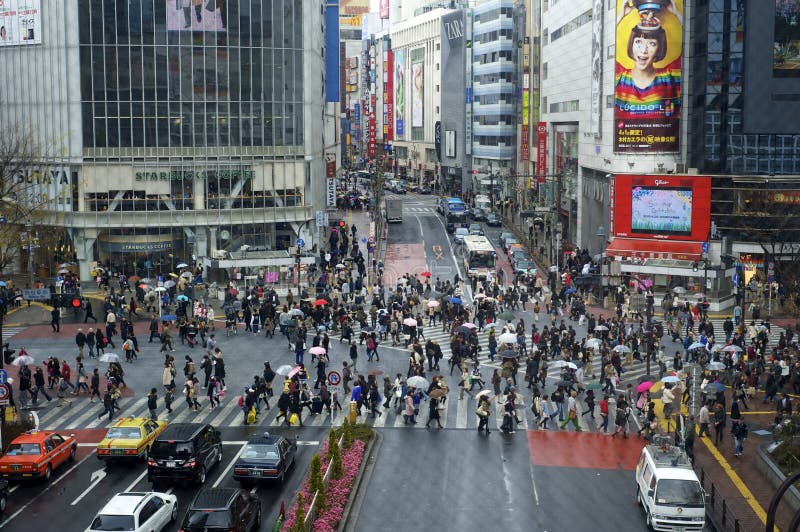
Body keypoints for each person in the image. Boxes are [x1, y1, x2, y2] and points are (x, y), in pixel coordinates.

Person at [615, 0, 682, 121]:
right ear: (631, 45)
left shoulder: (670, 77)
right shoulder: (619, 78)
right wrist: (621, 15)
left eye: (651, 43)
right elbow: (600, 51)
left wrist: (676, 13)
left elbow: (692, 47)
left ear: (659, 48)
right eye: (638, 42)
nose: (644, 50)